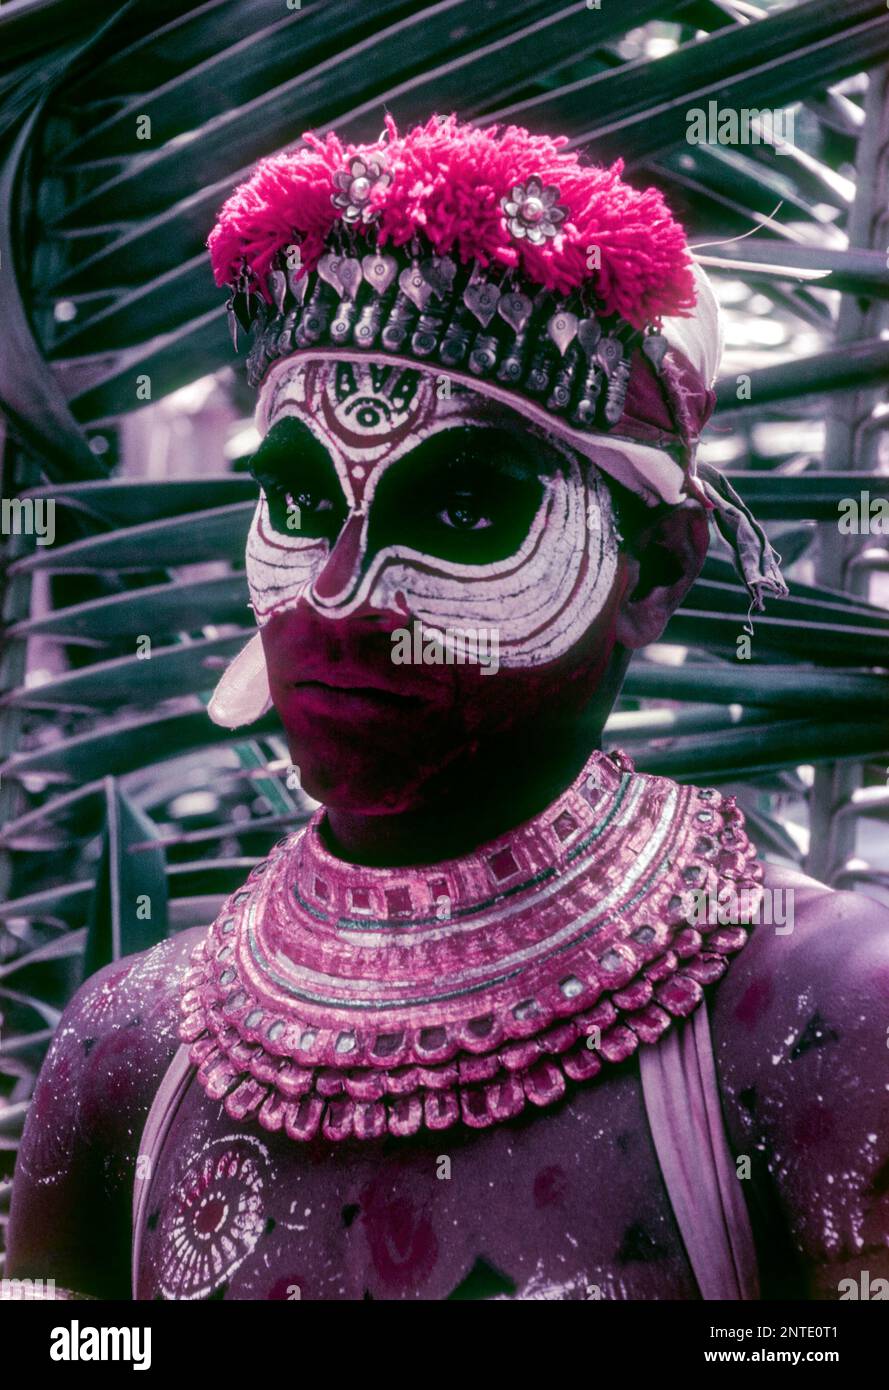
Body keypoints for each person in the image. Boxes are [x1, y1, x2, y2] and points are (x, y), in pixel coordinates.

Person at [7, 114, 889, 1302]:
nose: (340, 592)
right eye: (302, 499)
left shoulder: (822, 1017)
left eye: (462, 510)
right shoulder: (126, 1049)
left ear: (661, 572)